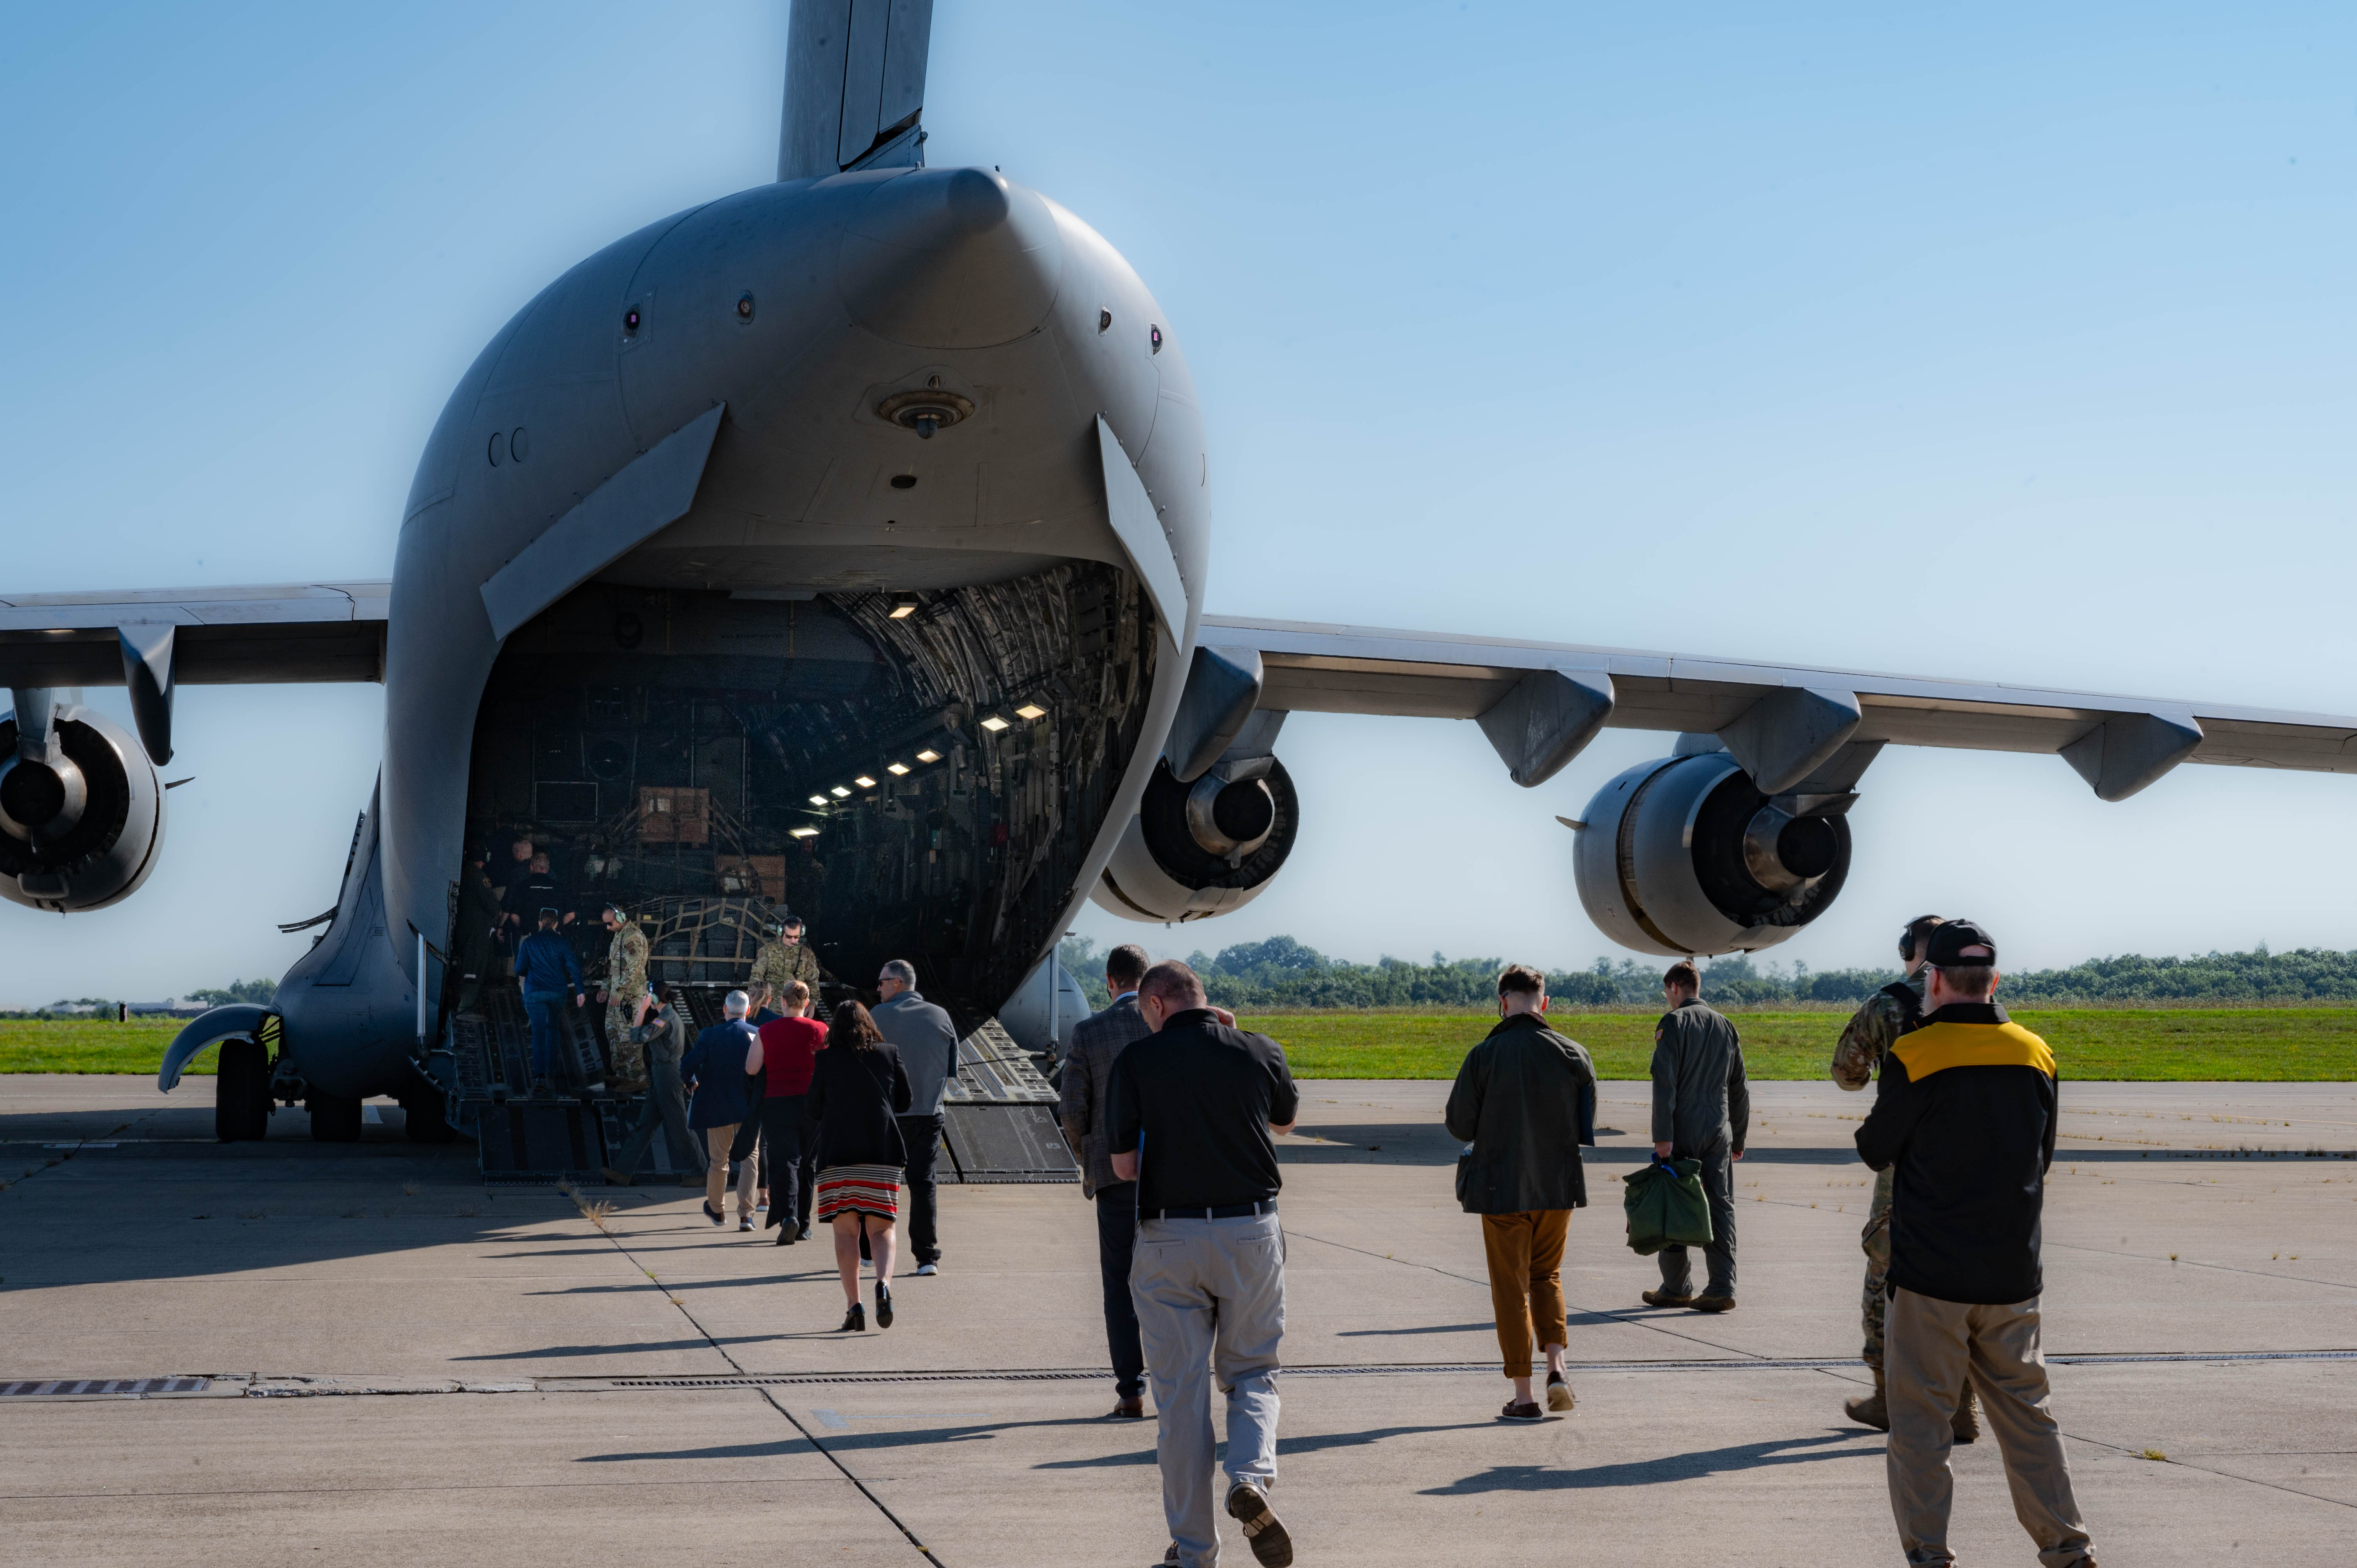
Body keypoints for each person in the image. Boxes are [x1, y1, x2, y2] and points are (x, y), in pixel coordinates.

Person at [1856, 920, 2096, 1568]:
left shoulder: (1916, 1053)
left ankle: (1929, 1553)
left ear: (1930, 979)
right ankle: (2066, 1546)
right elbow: (2039, 1156)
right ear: (1993, 980)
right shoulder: (2035, 1052)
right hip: (2012, 1274)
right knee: (2028, 1418)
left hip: (1931, 1274)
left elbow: (1874, 1145)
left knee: (1919, 1425)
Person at [1108, 960, 1300, 1568]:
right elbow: (1284, 1121)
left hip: (1170, 1237)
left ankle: (1194, 1553)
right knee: (1254, 1372)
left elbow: (1122, 1168)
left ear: (1159, 1005)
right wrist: (1240, 1043)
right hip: (1250, 1230)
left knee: (1181, 1400)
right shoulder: (1258, 1050)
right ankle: (1249, 1477)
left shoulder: (1138, 1062)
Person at [1833, 915, 1979, 1442]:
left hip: (1903, 1164)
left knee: (1885, 1275)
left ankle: (1886, 1395)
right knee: (1965, 1281)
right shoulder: (1979, 1001)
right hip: (1972, 1165)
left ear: (1909, 950)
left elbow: (1847, 1073)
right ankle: (1962, 1406)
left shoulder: (1889, 1003)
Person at [1444, 963, 1598, 1421]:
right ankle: (1557, 1368)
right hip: (1557, 1188)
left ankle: (1525, 1395)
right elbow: (1584, 1126)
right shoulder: (1575, 1053)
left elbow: (1459, 1125)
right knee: (1546, 1276)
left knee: (1510, 1289)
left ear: (1503, 1002)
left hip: (1501, 1189)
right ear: (1544, 1003)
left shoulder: (1484, 1055)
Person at [1057, 941, 1154, 1419]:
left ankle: (1131, 1389)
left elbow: (1072, 1108)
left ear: (1110, 982)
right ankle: (1179, 1382)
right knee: (1173, 1282)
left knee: (1119, 1283)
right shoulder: (1164, 1025)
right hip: (1173, 1174)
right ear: (1148, 978)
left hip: (1115, 1179)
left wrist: (1091, 1156)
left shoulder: (1090, 1032)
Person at [1640, 958, 1747, 1313]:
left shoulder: (1673, 1022)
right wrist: (1739, 1138)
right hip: (1719, 1127)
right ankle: (1721, 1286)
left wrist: (1662, 1137)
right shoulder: (1726, 1025)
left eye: (1666, 992)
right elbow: (1739, 1088)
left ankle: (1676, 1287)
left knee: (1674, 1201)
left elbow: (1665, 1083)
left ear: (1674, 988)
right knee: (1720, 1204)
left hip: (1682, 1125)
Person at [809, 1000, 912, 1331]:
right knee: (881, 1229)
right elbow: (905, 1101)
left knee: (846, 1233)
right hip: (881, 1153)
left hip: (838, 1156)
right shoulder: (889, 1053)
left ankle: (855, 1308)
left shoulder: (825, 1060)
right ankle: (884, 1284)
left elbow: (813, 1109)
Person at [872, 958, 958, 1277]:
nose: (877, 988)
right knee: (923, 1184)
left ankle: (870, 1251)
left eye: (881, 982)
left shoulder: (877, 1017)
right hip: (928, 1115)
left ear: (897, 983)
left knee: (881, 1184)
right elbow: (951, 1071)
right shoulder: (941, 1016)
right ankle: (926, 1258)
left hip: (889, 1116)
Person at [603, 985, 706, 1188]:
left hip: (667, 1076)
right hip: (663, 1075)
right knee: (645, 1126)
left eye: (649, 994)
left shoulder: (664, 1019)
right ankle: (623, 1172)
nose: (646, 997)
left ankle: (703, 1172)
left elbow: (638, 1037)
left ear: (657, 996)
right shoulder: (668, 1016)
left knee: (680, 1128)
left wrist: (641, 1011)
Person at [751, 980, 828, 1245]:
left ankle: (788, 1218)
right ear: (807, 1004)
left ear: (782, 1002)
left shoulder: (767, 1030)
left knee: (785, 1162)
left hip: (777, 1103)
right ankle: (805, 1226)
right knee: (807, 1165)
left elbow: (751, 1068)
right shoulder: (820, 1029)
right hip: (812, 1105)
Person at [681, 989, 761, 1230]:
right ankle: (747, 1215)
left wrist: (690, 1082)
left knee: (719, 1161)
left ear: (724, 1010)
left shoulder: (710, 1034)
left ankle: (717, 1211)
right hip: (749, 1109)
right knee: (750, 1160)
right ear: (748, 1011)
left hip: (718, 1108)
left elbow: (688, 1064)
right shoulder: (758, 1035)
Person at [514, 909, 585, 1097]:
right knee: (553, 1028)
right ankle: (552, 1070)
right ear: (556, 925)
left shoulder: (529, 943)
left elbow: (519, 969)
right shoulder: (563, 943)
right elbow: (574, 968)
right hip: (557, 994)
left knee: (538, 1033)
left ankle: (540, 1077)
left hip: (535, 994)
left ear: (539, 924)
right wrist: (580, 991)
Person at [595, 905, 653, 1094]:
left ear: (620, 918)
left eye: (610, 923)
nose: (608, 928)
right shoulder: (619, 936)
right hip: (616, 996)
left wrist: (618, 993)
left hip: (628, 998)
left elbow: (634, 968)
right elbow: (614, 968)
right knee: (613, 1033)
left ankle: (637, 1079)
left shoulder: (632, 937)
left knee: (629, 1038)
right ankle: (621, 1074)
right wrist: (606, 988)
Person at [454, 851, 504, 1011]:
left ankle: (461, 999)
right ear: (481, 861)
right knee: (474, 966)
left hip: (462, 927)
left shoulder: (460, 872)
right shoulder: (479, 876)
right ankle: (467, 1004)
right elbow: (493, 906)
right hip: (478, 930)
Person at [752, 915, 823, 1000]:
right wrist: (755, 1002)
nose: (793, 940)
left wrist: (813, 1003)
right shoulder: (767, 951)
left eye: (796, 937)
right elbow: (756, 977)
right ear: (781, 932)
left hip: (797, 1007)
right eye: (789, 937)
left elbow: (813, 982)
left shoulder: (807, 955)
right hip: (772, 1007)